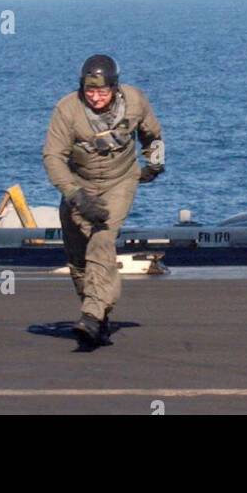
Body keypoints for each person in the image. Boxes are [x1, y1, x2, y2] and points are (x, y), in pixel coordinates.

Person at [42, 54, 164, 348]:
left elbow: (153, 136)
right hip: (78, 186)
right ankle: (98, 318)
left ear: (115, 88)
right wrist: (74, 195)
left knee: (102, 241)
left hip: (119, 182)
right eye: (90, 91)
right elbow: (53, 156)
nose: (96, 97)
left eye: (102, 91)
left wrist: (154, 164)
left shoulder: (135, 101)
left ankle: (92, 315)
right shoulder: (67, 109)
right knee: (78, 261)